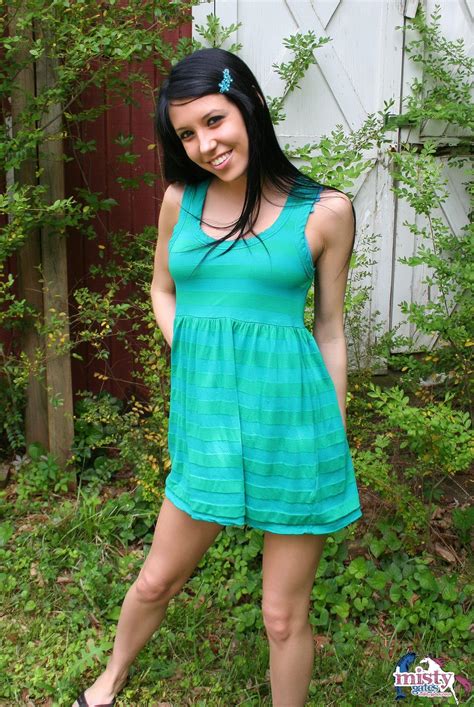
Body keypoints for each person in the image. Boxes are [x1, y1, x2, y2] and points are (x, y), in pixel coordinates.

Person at [73, 47, 362, 707]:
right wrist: (197, 352)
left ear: (249, 106)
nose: (205, 144)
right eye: (186, 134)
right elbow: (162, 289)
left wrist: (334, 431)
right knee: (156, 580)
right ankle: (110, 679)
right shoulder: (180, 201)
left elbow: (330, 330)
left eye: (214, 120)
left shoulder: (326, 211)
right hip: (207, 427)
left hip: (295, 431)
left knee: (282, 615)